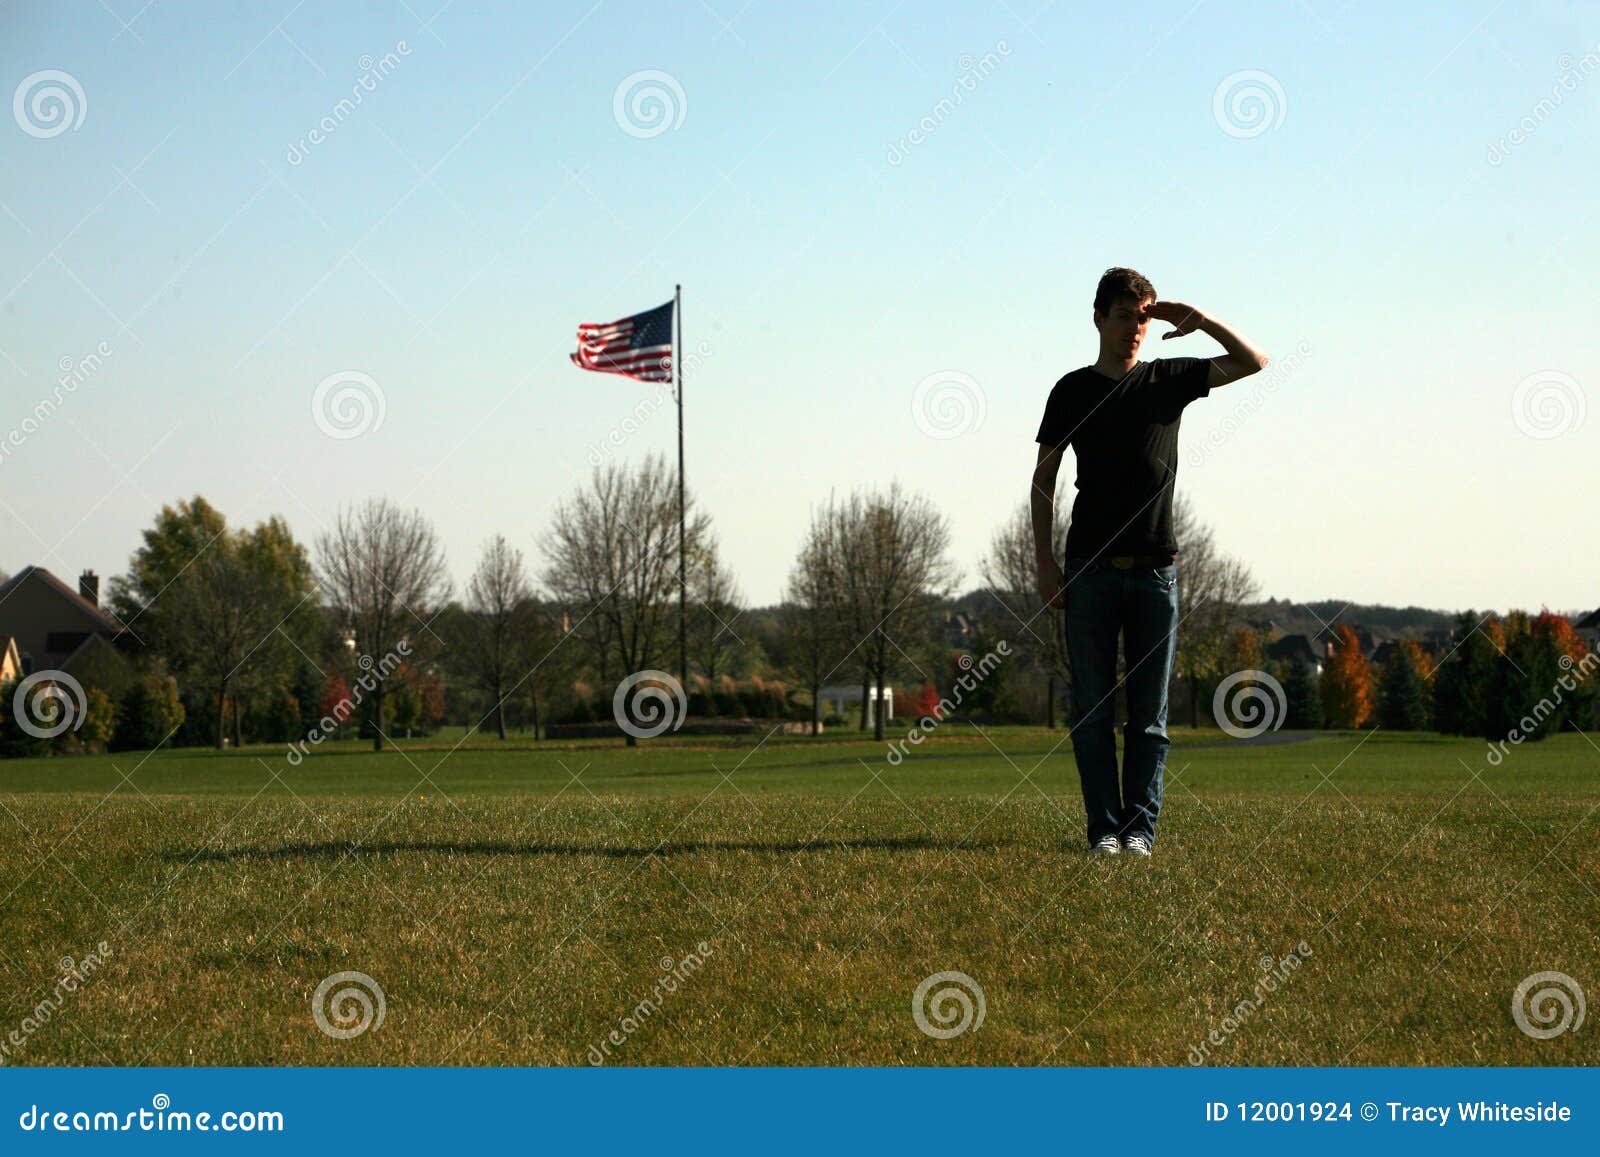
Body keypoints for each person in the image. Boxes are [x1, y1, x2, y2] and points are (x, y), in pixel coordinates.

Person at [1031, 267, 1269, 857]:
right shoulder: (1071, 390)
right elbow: (1044, 479)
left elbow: (1255, 362)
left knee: (1150, 718)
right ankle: (1103, 832)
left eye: (1143, 316)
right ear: (1097, 319)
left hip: (1156, 572)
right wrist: (1043, 561)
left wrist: (1200, 319)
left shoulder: (1169, 379)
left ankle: (1139, 830)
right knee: (1092, 713)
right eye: (1124, 316)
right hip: (1087, 569)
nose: (1135, 327)